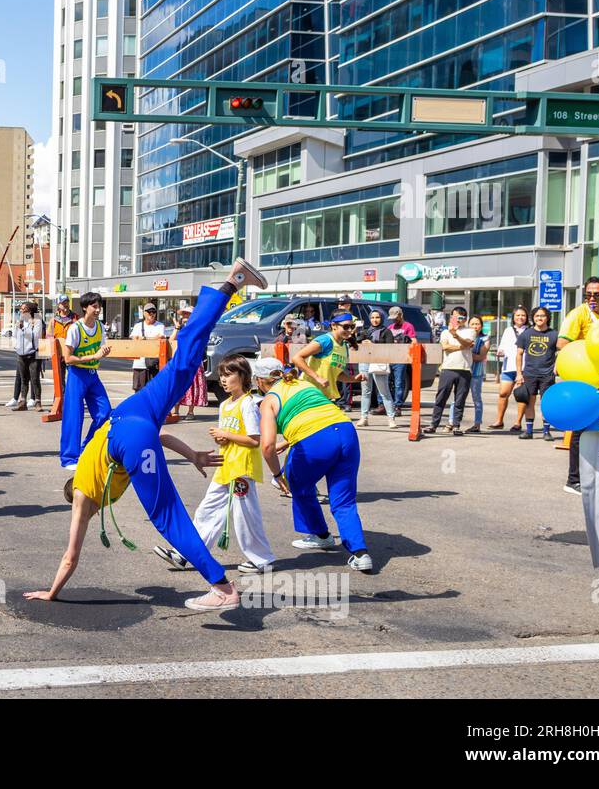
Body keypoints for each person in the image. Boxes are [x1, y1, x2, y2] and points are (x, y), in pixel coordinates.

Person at [24, 259, 266, 611]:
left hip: (127, 434)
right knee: (184, 363)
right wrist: (193, 455)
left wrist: (51, 592)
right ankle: (231, 283)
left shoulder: (81, 500)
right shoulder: (97, 474)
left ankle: (223, 588)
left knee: (167, 515)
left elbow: (69, 558)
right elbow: (158, 440)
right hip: (132, 414)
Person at [154, 353, 276, 575]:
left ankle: (262, 559)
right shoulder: (225, 405)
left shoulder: (248, 403)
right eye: (221, 375)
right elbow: (231, 435)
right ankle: (185, 554)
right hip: (226, 465)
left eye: (228, 375)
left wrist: (225, 434)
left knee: (245, 516)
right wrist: (222, 438)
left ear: (243, 376)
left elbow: (254, 439)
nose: (223, 379)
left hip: (241, 469)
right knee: (206, 511)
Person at [258, 356, 374, 572]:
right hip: (346, 432)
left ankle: (320, 535)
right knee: (344, 500)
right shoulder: (302, 383)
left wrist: (276, 475)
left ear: (259, 380)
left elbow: (266, 446)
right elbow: (316, 416)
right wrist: (290, 440)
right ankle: (360, 553)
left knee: (298, 484)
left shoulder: (269, 400)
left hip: (315, 441)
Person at [557, 276, 599, 496]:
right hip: (584, 379)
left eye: (597, 294)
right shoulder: (578, 314)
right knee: (581, 429)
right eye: (588, 294)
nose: (591, 298)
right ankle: (573, 480)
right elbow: (562, 343)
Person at [58, 292, 114, 469]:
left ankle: (86, 448)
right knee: (74, 416)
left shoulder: (100, 327)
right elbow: (67, 358)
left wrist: (103, 353)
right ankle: (68, 458)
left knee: (105, 413)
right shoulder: (76, 328)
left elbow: (101, 348)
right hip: (76, 375)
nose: (98, 310)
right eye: (94, 306)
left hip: (92, 375)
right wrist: (93, 356)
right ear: (84, 307)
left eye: (99, 306)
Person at [290, 312, 364, 409]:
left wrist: (353, 379)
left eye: (352, 326)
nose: (350, 330)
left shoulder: (344, 346)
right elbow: (297, 358)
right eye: (346, 327)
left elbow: (336, 374)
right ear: (334, 326)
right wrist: (317, 377)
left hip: (325, 397)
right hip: (309, 393)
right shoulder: (325, 340)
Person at [422, 306, 475, 437]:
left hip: (464, 369)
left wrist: (456, 335)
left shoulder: (470, 331)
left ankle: (456, 425)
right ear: (451, 317)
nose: (458, 319)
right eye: (455, 316)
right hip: (447, 368)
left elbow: (468, 343)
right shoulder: (445, 332)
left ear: (465, 319)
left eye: (461, 317)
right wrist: (461, 346)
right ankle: (434, 424)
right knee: (441, 398)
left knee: (460, 399)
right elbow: (445, 347)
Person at [515, 306, 559, 441]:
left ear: (547, 318)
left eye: (542, 316)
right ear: (533, 318)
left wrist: (556, 368)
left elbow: (560, 352)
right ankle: (529, 431)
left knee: (546, 402)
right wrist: (519, 374)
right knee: (530, 402)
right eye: (537, 316)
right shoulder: (526, 334)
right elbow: (519, 354)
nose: (539, 318)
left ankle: (546, 431)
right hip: (530, 373)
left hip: (547, 374)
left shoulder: (554, 334)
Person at [491, 306, 529, 431]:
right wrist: (500, 352)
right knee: (503, 394)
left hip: (524, 368)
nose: (520, 317)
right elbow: (503, 347)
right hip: (508, 367)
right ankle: (499, 421)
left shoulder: (530, 331)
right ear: (513, 317)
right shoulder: (508, 330)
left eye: (523, 315)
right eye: (517, 315)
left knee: (521, 395)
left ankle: (518, 423)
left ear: (527, 317)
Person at [358, 308, 398, 428]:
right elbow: (355, 343)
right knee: (365, 392)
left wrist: (373, 345)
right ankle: (363, 417)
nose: (375, 320)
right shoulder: (365, 331)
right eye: (372, 318)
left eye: (377, 317)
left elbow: (389, 348)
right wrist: (359, 340)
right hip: (364, 362)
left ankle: (391, 418)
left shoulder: (386, 332)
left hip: (379, 363)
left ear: (382, 318)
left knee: (384, 392)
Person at [8, 301, 44, 411]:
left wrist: (23, 328)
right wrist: (16, 346)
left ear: (30, 310)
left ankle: (37, 402)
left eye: (24, 309)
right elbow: (14, 335)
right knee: (23, 379)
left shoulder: (37, 320)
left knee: (34, 379)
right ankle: (22, 401)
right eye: (21, 309)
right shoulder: (20, 321)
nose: (21, 311)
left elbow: (36, 335)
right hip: (21, 353)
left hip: (33, 353)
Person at [129, 303, 166, 392]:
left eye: (153, 311)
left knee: (154, 392)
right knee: (139, 392)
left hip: (154, 365)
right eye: (149, 312)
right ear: (144, 313)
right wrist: (153, 339)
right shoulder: (138, 326)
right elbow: (134, 340)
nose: (152, 314)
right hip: (139, 364)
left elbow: (160, 338)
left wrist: (144, 338)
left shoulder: (160, 325)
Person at [387, 306, 417, 414]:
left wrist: (405, 341)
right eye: (392, 318)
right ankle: (388, 405)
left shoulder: (408, 326)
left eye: (396, 317)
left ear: (401, 315)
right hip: (390, 357)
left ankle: (398, 405)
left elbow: (414, 341)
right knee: (388, 382)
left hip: (401, 358)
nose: (394, 320)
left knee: (399, 382)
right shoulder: (390, 327)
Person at [463, 315, 490, 433]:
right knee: (457, 398)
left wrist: (465, 353)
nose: (475, 326)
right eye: (472, 324)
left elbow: (481, 357)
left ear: (481, 326)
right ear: (468, 325)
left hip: (476, 372)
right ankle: (452, 422)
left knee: (476, 398)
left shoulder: (485, 339)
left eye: (477, 324)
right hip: (462, 370)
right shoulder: (463, 337)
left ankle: (477, 424)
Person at [50, 294, 75, 393]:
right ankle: (59, 400)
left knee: (74, 379)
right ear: (58, 305)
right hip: (59, 355)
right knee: (59, 380)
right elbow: (49, 336)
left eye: (66, 302)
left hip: (72, 354)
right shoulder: (54, 320)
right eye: (62, 303)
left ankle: (73, 400)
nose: (65, 304)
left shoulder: (75, 318)